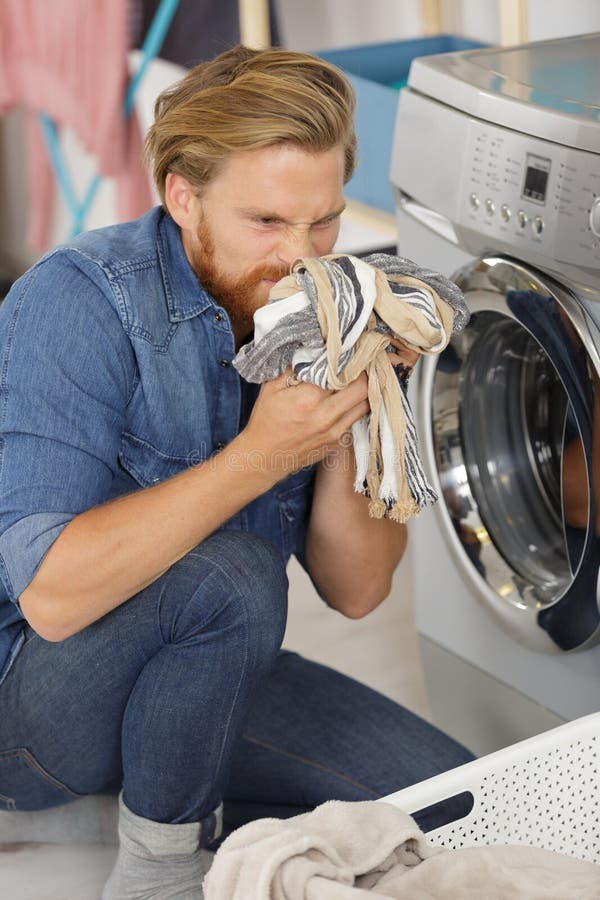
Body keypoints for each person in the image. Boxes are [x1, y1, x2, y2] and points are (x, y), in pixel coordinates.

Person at [0, 45, 474, 899]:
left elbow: (358, 589)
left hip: (208, 669)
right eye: (266, 223)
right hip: (28, 705)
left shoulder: (327, 305)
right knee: (234, 574)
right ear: (183, 196)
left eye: (324, 221)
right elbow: (52, 596)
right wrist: (261, 455)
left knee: (454, 803)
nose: (302, 258)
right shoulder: (75, 302)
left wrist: (344, 407)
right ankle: (158, 870)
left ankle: (176, 787)